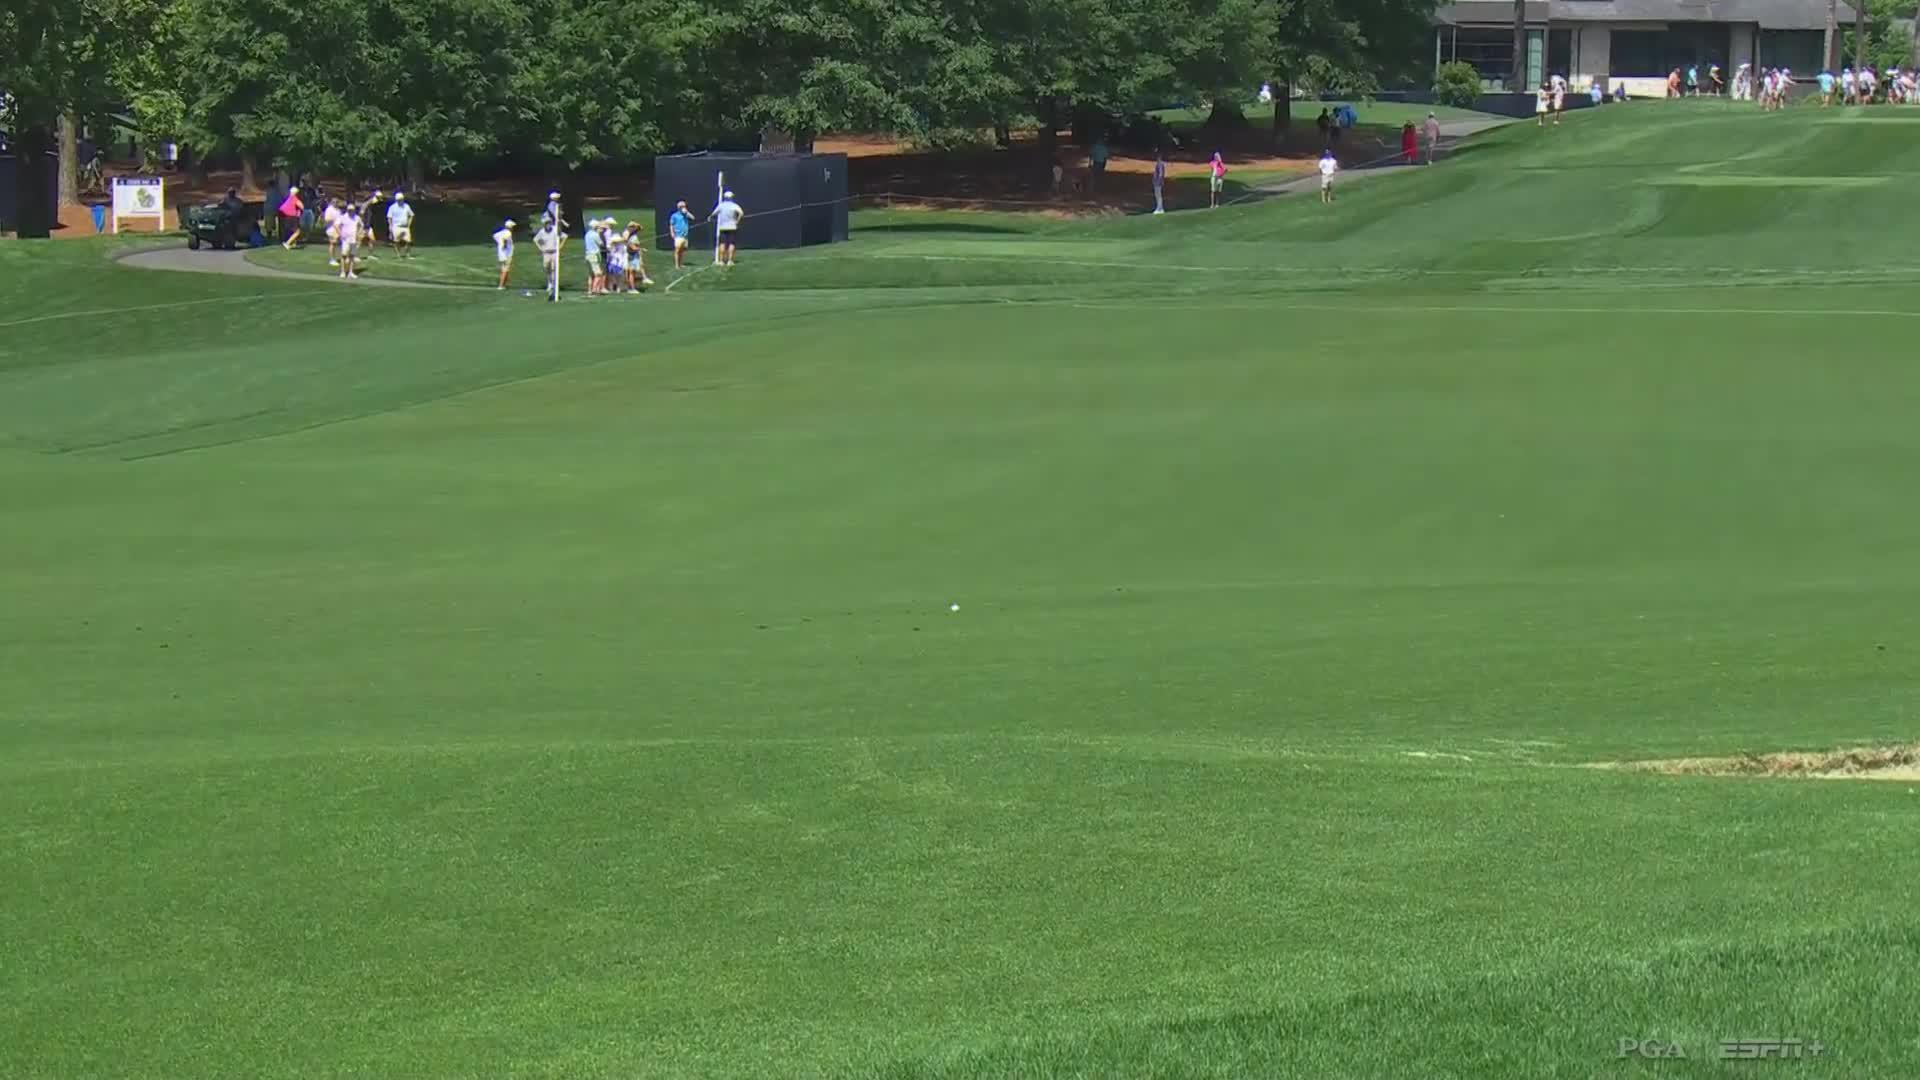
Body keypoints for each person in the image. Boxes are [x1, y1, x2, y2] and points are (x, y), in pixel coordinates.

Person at [711, 189, 744, 266]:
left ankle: (721, 261)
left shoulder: (721, 205)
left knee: (722, 243)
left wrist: (710, 217)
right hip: (732, 227)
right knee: (731, 243)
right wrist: (737, 221)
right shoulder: (734, 205)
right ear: (732, 197)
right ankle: (730, 261)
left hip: (723, 227)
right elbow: (741, 213)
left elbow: (714, 213)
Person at [534, 216, 561, 300]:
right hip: (546, 252)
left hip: (554, 252)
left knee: (554, 268)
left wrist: (559, 246)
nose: (548, 225)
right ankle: (549, 282)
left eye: (549, 223)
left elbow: (564, 236)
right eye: (546, 224)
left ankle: (554, 284)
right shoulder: (542, 232)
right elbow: (536, 239)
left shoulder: (555, 230)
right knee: (546, 267)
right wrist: (540, 248)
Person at [336, 204, 361, 280]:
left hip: (353, 239)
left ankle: (350, 272)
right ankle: (343, 272)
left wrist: (358, 234)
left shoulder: (357, 218)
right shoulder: (343, 217)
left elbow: (360, 225)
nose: (350, 211)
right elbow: (336, 225)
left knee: (352, 256)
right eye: (349, 210)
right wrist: (340, 234)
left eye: (352, 210)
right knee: (344, 255)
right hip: (345, 239)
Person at [583, 216, 606, 295]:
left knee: (590, 274)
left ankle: (589, 290)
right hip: (594, 255)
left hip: (588, 255)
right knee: (598, 274)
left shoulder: (587, 234)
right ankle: (594, 290)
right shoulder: (595, 235)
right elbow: (601, 244)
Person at [387, 191, 414, 258]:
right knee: (396, 242)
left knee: (408, 241)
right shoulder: (392, 207)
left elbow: (411, 215)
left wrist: (409, 225)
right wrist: (390, 226)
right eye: (399, 199)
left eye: (401, 199)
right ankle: (398, 255)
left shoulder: (406, 206)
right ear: (396, 200)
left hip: (405, 227)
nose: (401, 200)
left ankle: (408, 254)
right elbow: (389, 217)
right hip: (396, 227)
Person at [492, 218, 516, 289]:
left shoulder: (501, 232)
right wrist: (504, 244)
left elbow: (495, 236)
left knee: (504, 269)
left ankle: (503, 285)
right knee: (505, 270)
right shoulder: (508, 233)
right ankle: (501, 285)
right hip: (506, 254)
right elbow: (505, 240)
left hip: (501, 254)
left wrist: (500, 242)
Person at [669, 200, 693, 269]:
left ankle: (681, 263)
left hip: (685, 235)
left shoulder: (685, 215)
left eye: (685, 206)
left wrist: (687, 212)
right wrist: (672, 232)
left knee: (682, 251)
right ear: (679, 207)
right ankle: (677, 265)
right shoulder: (674, 215)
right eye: (682, 206)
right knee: (677, 250)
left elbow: (692, 218)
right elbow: (671, 224)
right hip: (678, 235)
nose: (684, 208)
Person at [1151, 149, 1167, 214]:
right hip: (1157, 182)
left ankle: (1159, 208)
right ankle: (1159, 208)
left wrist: (1159, 181)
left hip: (1158, 182)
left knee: (1158, 195)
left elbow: (1160, 173)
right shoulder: (1159, 163)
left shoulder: (1160, 163)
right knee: (1157, 195)